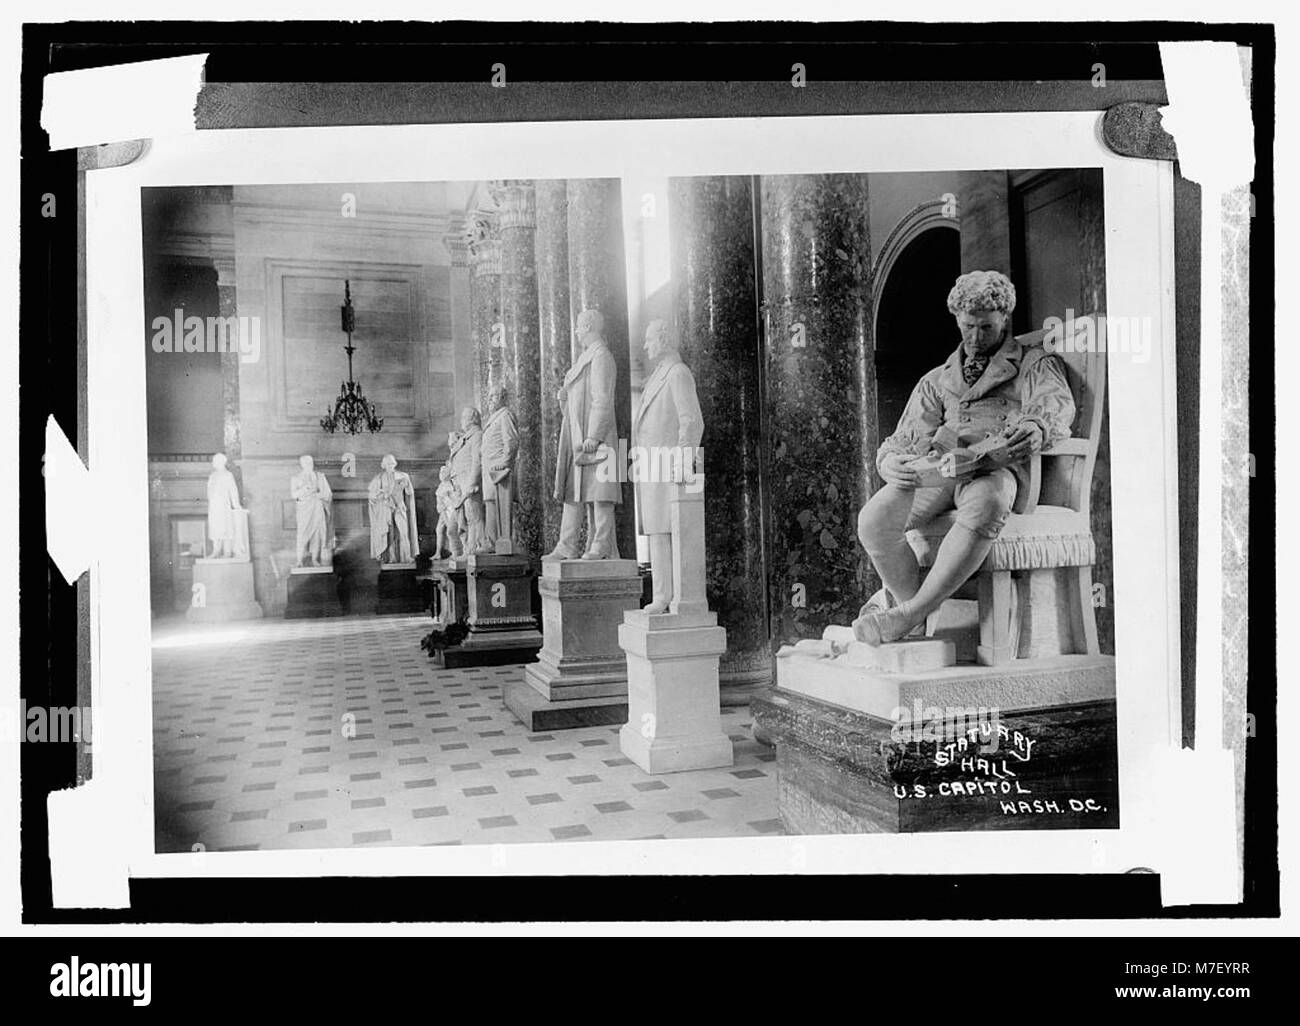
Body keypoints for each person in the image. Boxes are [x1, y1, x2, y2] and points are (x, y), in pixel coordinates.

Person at [854, 270, 1075, 645]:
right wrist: (889, 460)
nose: (974, 338)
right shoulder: (937, 379)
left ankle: (908, 614)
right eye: (968, 326)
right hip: (940, 470)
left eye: (986, 327)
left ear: (1005, 318)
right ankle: (916, 617)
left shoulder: (1034, 364)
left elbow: (1051, 413)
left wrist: (1026, 433)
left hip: (996, 469)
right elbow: (907, 437)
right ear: (957, 319)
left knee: (987, 503)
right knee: (874, 520)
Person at [632, 319, 704, 613]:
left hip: (669, 466)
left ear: (663, 340)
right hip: (652, 467)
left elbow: (691, 420)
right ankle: (662, 595)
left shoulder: (678, 373)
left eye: (650, 339)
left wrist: (684, 463)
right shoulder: (656, 378)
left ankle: (673, 598)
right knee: (657, 531)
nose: (646, 345)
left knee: (672, 530)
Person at [545, 308, 622, 560]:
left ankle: (601, 546)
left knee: (600, 494)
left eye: (579, 326)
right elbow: (576, 403)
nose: (576, 331)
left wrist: (594, 435)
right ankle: (566, 545)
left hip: (594, 439)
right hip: (578, 436)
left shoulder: (601, 357)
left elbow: (602, 399)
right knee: (573, 491)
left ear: (588, 327)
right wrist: (563, 398)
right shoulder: (586, 358)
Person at [481, 383, 520, 554]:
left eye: (493, 396)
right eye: (489, 397)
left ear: (503, 398)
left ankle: (499, 542)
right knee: (490, 503)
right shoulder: (495, 418)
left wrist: (505, 462)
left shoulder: (505, 416)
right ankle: (491, 541)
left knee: (499, 506)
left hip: (499, 470)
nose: (490, 400)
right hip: (490, 470)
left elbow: (511, 441)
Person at [448, 408, 491, 555]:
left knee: (474, 516)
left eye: (463, 417)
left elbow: (477, 461)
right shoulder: (468, 437)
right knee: (467, 518)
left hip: (469, 482)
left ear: (471, 418)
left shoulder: (477, 435)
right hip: (461, 482)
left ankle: (480, 545)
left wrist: (472, 483)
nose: (461, 420)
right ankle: (470, 548)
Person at [367, 454, 419, 564]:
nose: (390, 465)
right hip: (386, 509)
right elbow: (372, 495)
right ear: (383, 465)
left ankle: (407, 557)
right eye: (387, 464)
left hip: (400, 507)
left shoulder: (403, 476)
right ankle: (391, 558)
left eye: (392, 463)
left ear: (395, 463)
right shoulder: (379, 478)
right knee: (389, 535)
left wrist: (405, 485)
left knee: (404, 533)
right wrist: (381, 495)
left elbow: (410, 493)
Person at [291, 454, 333, 566]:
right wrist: (305, 489)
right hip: (304, 509)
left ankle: (315, 559)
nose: (309, 465)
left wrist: (319, 494)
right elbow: (294, 495)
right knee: (302, 534)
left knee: (317, 533)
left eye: (311, 463)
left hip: (317, 507)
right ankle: (299, 560)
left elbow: (328, 494)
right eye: (306, 463)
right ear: (302, 464)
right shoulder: (296, 478)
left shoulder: (320, 476)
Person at [205, 453, 243, 558]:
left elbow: (233, 491)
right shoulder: (212, 476)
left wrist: (236, 505)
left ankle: (227, 551)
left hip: (223, 506)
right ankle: (216, 550)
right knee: (215, 528)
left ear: (221, 462)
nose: (213, 463)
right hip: (214, 506)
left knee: (226, 527)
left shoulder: (227, 475)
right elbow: (209, 491)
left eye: (214, 460)